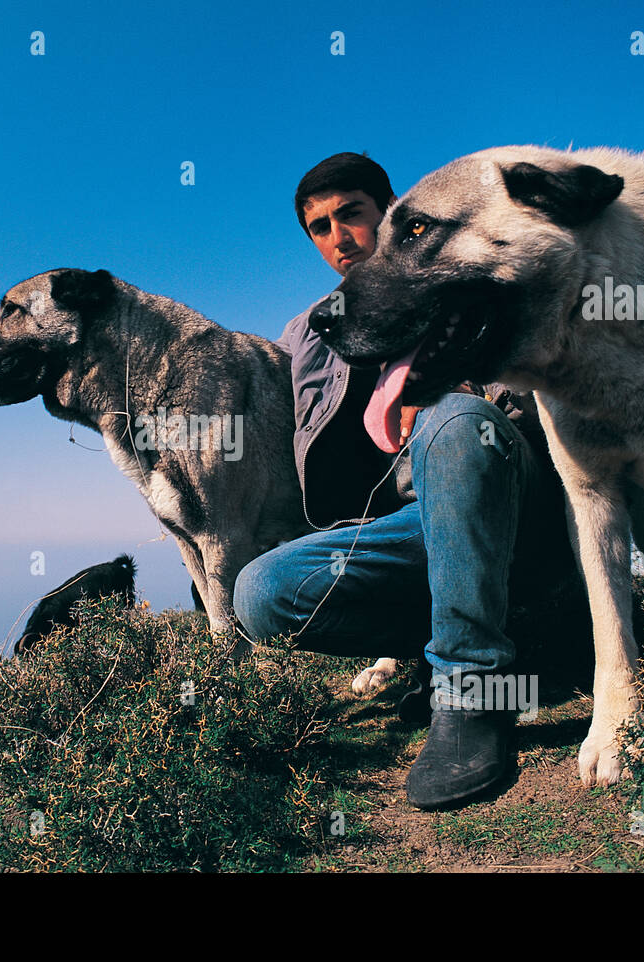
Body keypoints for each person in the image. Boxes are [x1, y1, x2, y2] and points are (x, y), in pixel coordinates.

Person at [232, 152, 573, 809]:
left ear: (390, 210)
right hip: (406, 530)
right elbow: (313, 455)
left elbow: (541, 401)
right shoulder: (308, 332)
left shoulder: (468, 275)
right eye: (319, 227)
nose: (338, 237)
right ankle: (464, 636)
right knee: (260, 593)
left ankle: (471, 691)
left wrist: (452, 383)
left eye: (351, 215)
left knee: (451, 418)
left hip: (512, 506)